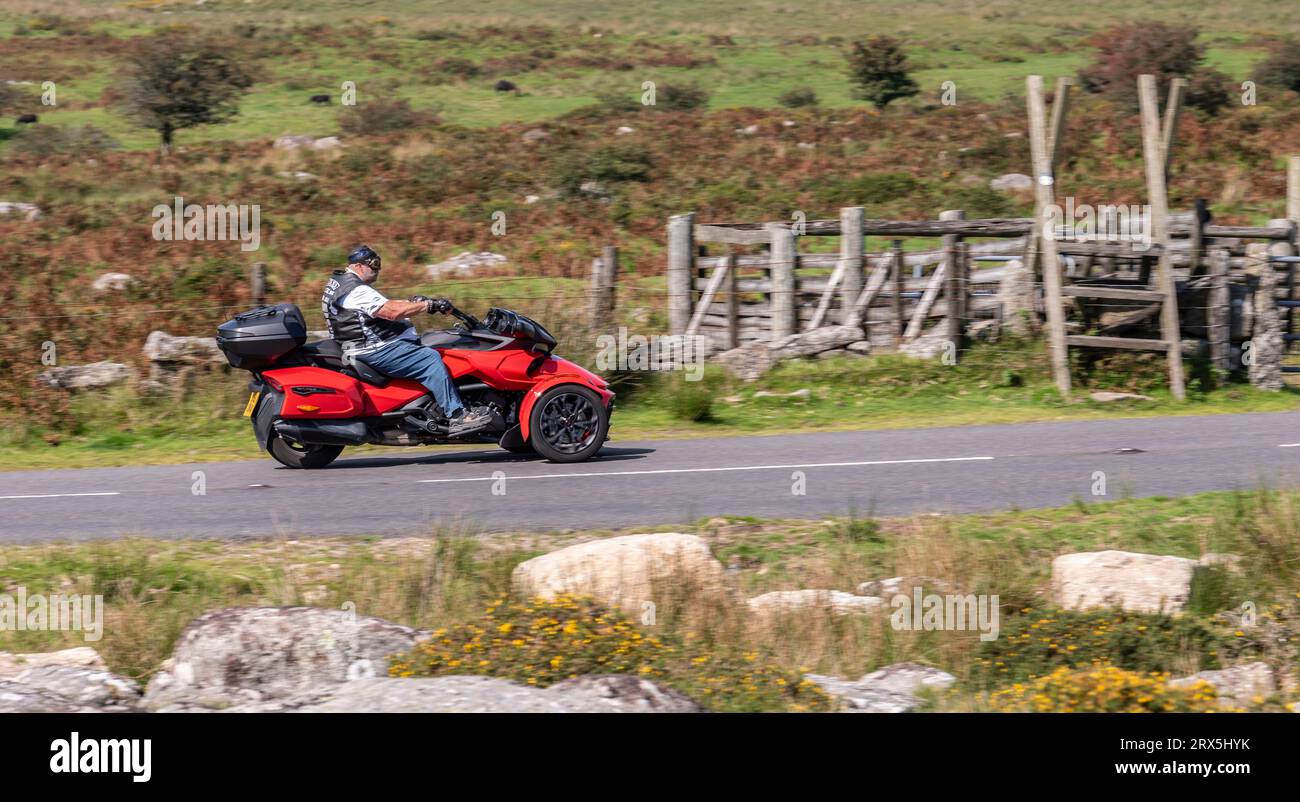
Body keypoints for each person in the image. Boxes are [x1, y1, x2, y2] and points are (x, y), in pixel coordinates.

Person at [321, 245, 491, 436]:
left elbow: (383, 304)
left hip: (362, 345)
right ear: (359, 266)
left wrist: (414, 302)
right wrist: (426, 305)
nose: (378, 269)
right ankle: (457, 415)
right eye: (374, 264)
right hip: (374, 349)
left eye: (379, 264)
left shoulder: (342, 282)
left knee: (433, 341)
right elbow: (391, 312)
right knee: (430, 359)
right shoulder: (356, 291)